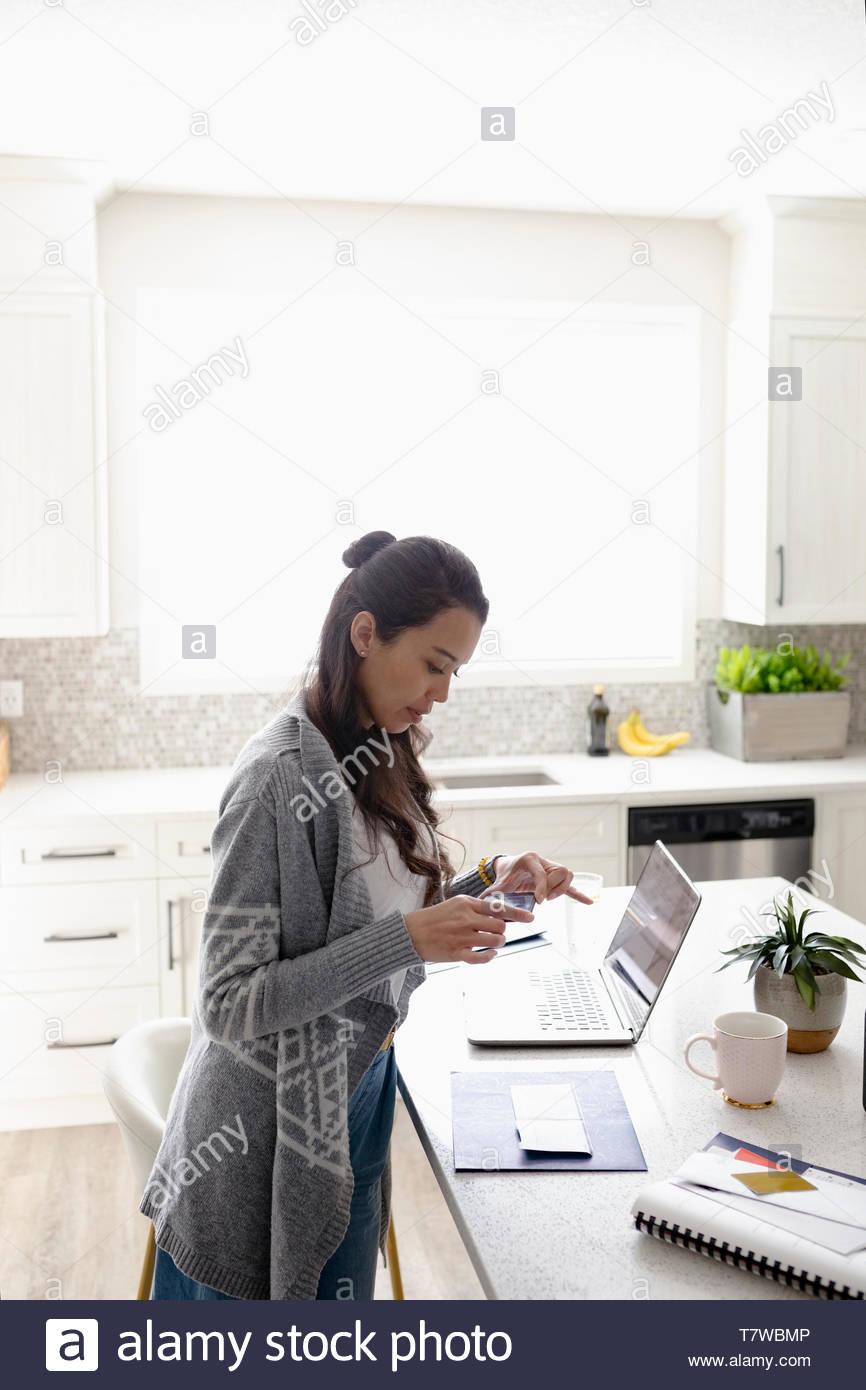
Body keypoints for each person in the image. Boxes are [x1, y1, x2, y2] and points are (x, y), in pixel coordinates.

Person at [143, 530, 589, 1300]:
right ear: (364, 634)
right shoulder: (276, 780)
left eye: (454, 672)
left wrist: (490, 881)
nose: (442, 692)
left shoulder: (378, 747)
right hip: (256, 1140)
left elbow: (382, 923)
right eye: (434, 664)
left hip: (355, 1093)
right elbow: (230, 1001)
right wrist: (405, 940)